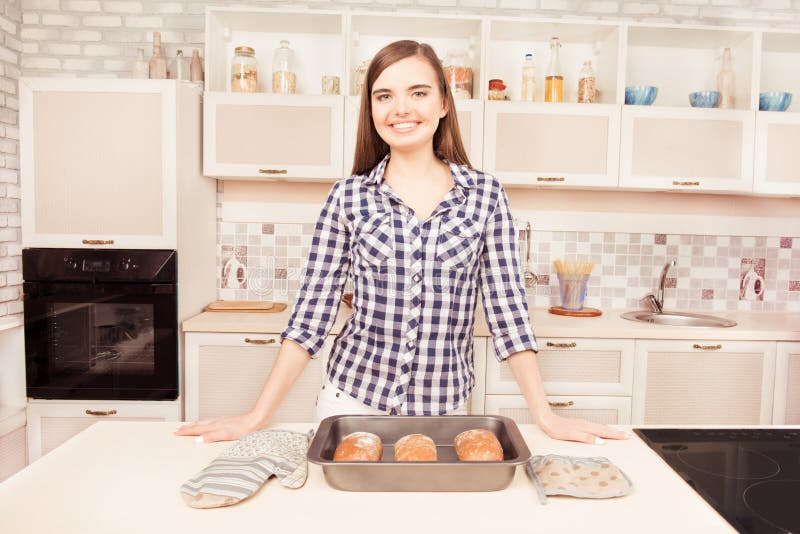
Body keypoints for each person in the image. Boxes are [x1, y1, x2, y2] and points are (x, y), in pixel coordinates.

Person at [176, 40, 627, 445]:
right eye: (384, 95)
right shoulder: (348, 197)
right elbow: (310, 318)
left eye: (418, 92)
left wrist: (546, 417)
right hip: (350, 404)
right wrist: (255, 416)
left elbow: (509, 314)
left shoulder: (486, 196)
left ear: (444, 103)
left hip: (445, 411)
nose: (400, 109)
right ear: (371, 109)